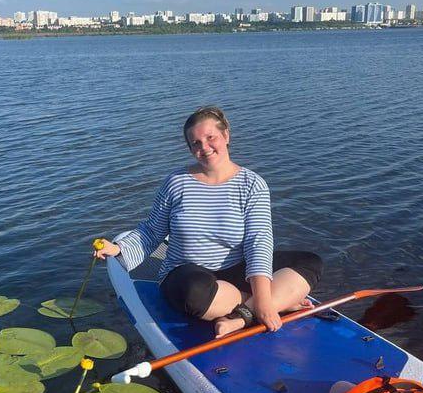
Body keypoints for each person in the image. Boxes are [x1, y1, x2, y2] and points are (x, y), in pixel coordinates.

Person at [95, 106, 322, 338]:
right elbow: (153, 231)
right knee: (193, 293)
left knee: (310, 262)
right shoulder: (176, 183)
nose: (204, 147)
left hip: (236, 272)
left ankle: (243, 315)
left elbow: (258, 242)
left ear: (226, 136)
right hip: (187, 275)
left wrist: (263, 300)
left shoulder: (252, 184)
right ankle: (278, 300)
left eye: (210, 137)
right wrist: (118, 248)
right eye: (195, 143)